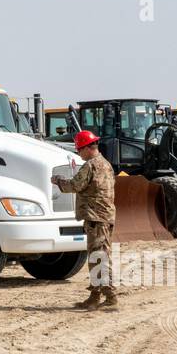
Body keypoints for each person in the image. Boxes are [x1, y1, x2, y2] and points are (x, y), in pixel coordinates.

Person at [52, 131, 118, 309]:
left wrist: (58, 181)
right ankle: (95, 296)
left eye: (80, 149)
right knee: (97, 256)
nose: (79, 153)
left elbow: (74, 186)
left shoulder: (90, 166)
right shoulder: (106, 164)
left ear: (89, 148)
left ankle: (111, 296)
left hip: (97, 218)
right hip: (103, 217)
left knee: (99, 256)